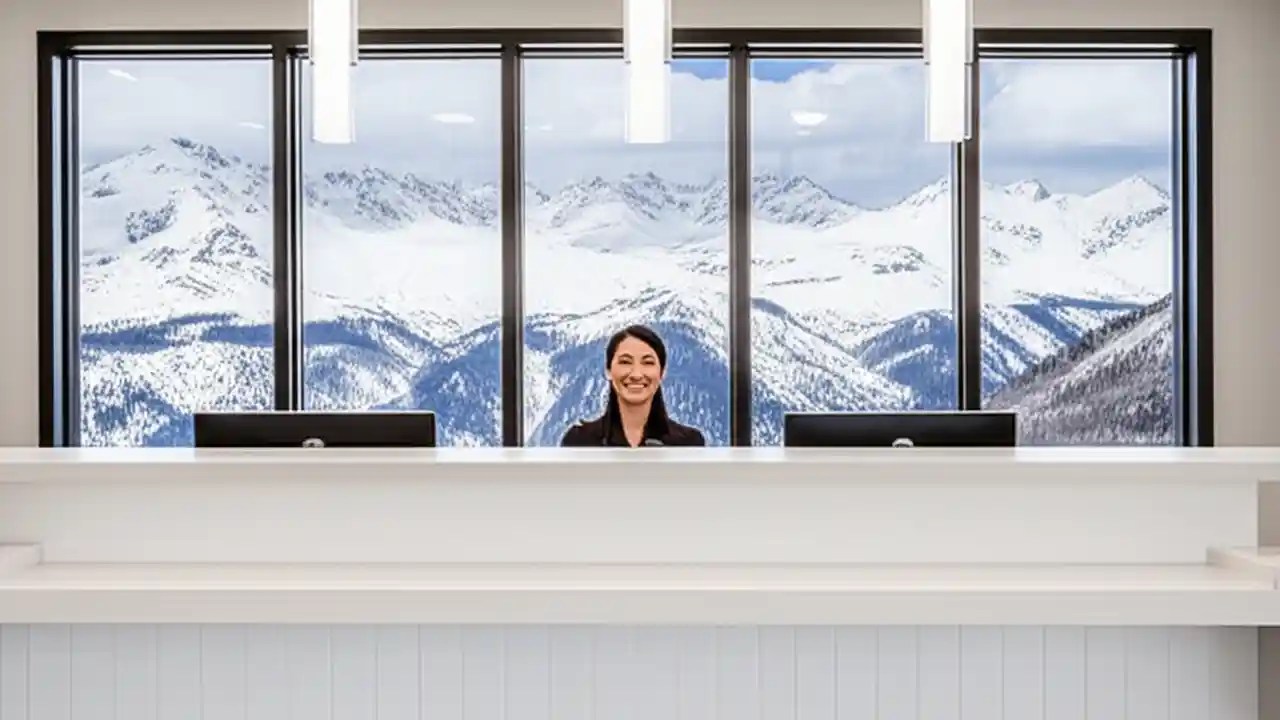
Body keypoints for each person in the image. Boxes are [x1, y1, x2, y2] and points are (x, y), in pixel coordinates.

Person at [561, 324, 707, 447]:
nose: (636, 374)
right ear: (608, 370)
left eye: (648, 363)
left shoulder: (688, 444)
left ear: (662, 373)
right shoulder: (579, 442)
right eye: (625, 362)